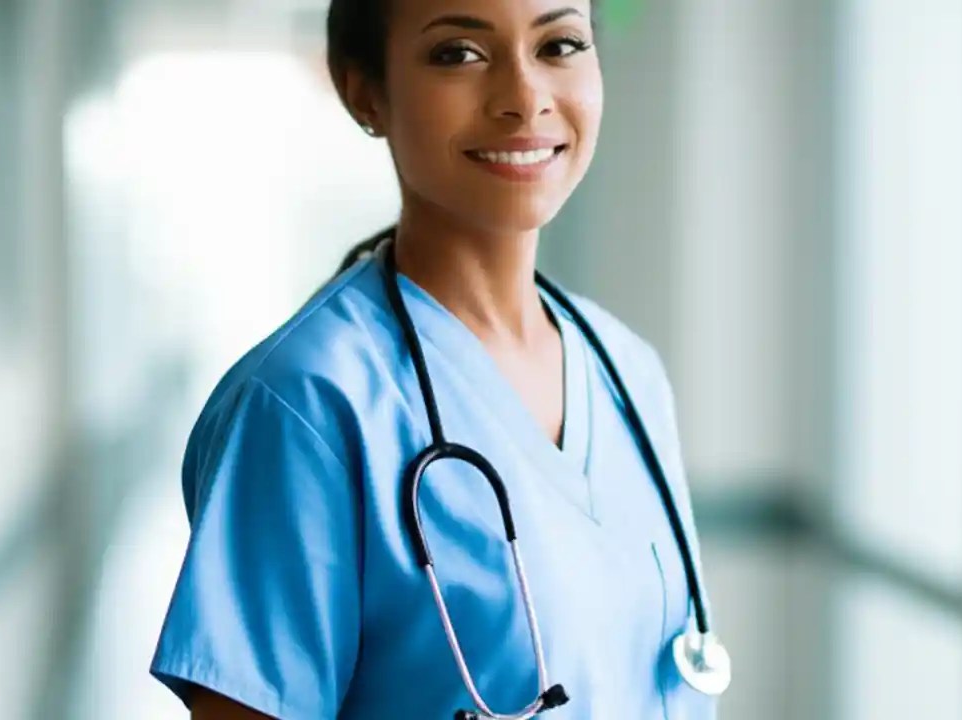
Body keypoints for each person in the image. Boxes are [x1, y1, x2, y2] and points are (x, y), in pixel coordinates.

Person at [149, 0, 721, 717]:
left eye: (559, 45)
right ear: (364, 91)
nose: (525, 99)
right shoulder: (307, 403)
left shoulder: (628, 372)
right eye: (458, 53)